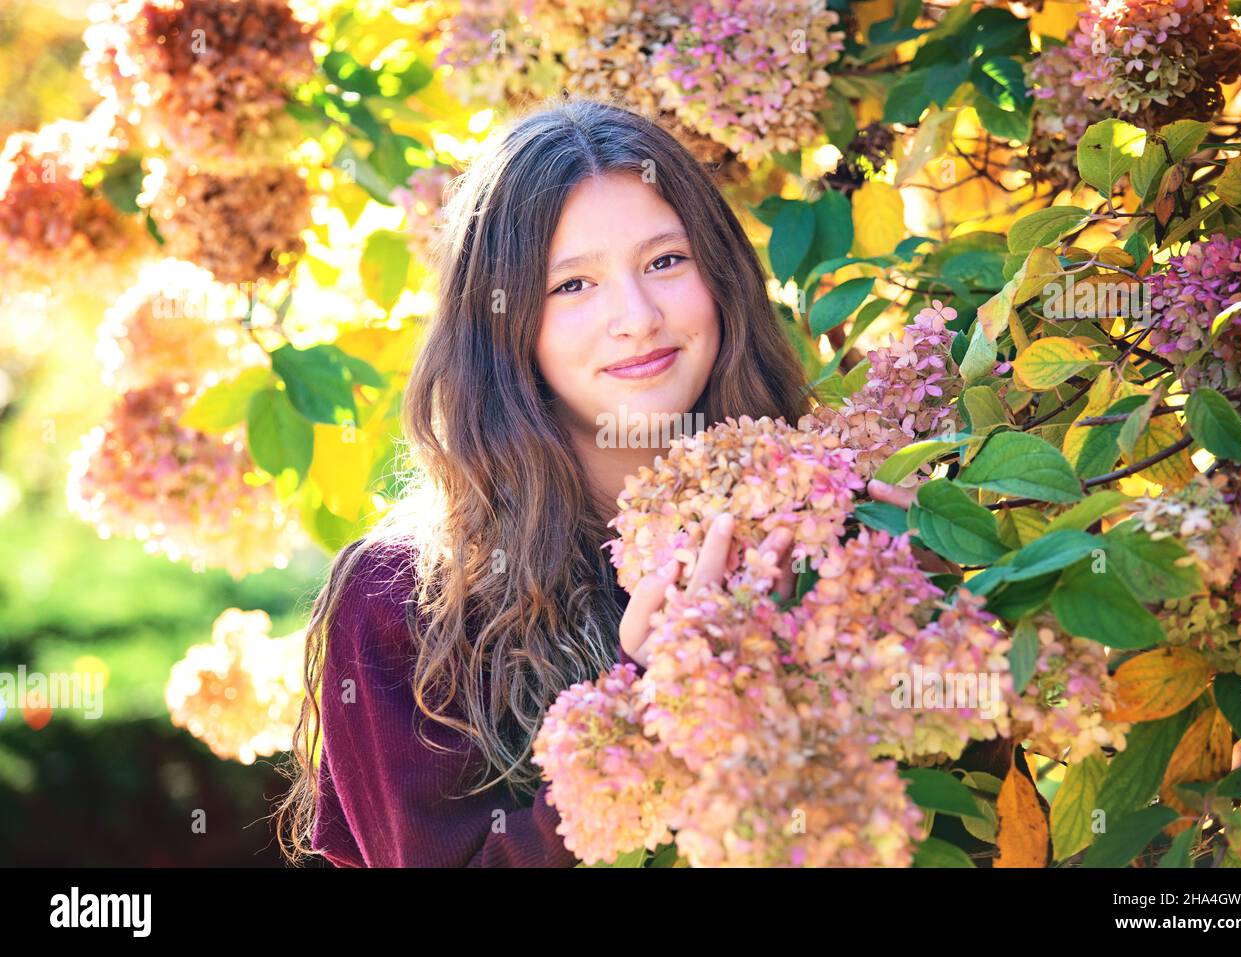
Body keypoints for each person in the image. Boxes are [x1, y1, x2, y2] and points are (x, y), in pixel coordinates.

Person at [271, 95, 847, 867]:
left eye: (666, 262)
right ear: (503, 321)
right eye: (572, 285)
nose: (637, 317)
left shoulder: (826, 512)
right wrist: (658, 695)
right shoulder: (402, 602)